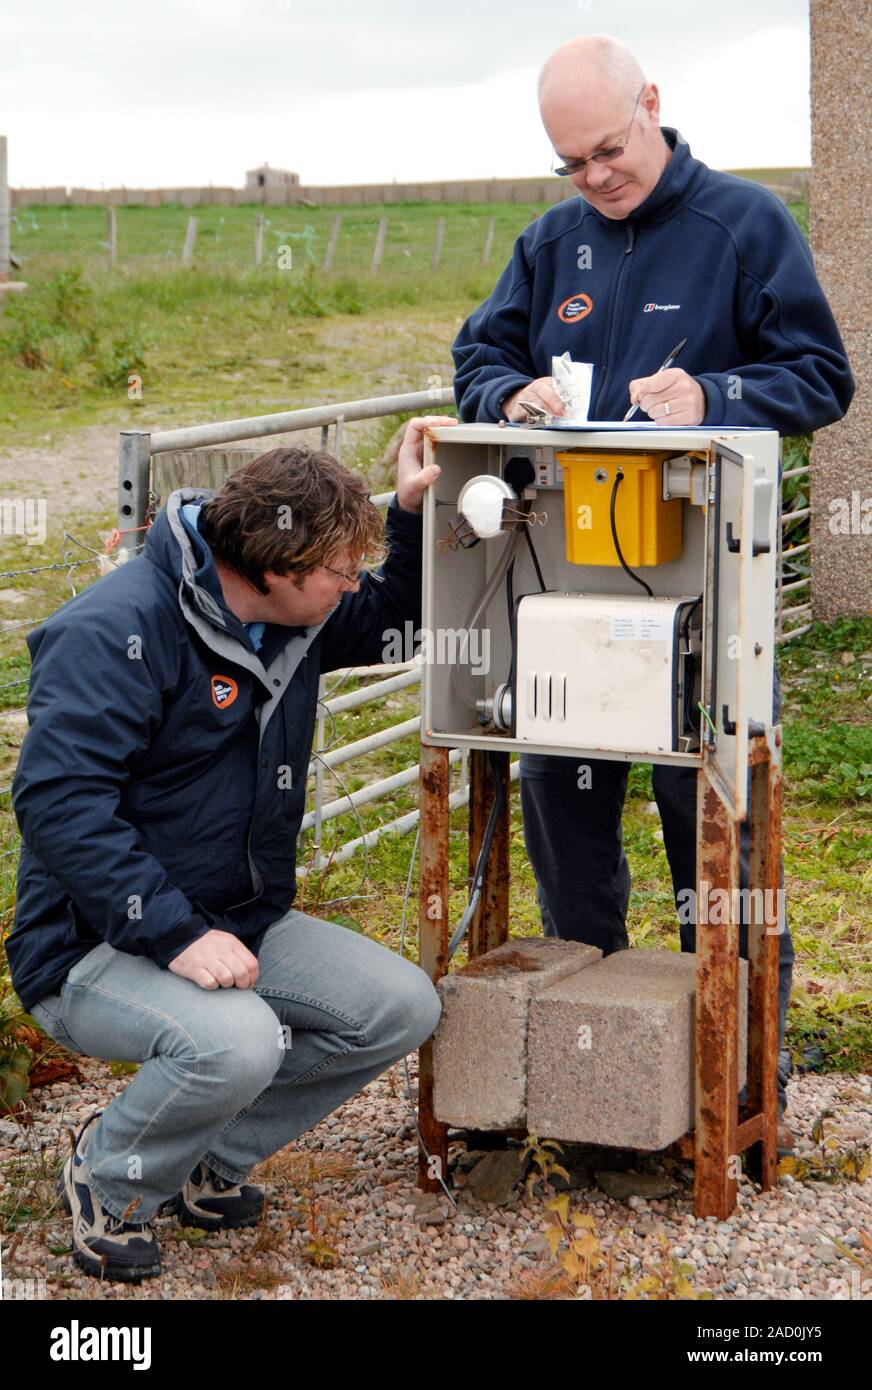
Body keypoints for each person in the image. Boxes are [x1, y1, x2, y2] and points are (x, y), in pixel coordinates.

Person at [451, 35, 855, 1149]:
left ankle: (737, 1057)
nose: (594, 177)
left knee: (712, 821)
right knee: (563, 806)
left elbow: (820, 379)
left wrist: (716, 393)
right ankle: (600, 1065)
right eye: (569, 161)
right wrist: (511, 391)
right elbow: (472, 359)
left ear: (654, 108)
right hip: (569, 590)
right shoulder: (549, 246)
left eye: (608, 149)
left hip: (703, 596)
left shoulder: (742, 225)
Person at [6, 416, 449, 1283]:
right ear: (279, 571)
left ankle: (202, 1156)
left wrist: (406, 509)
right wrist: (175, 934)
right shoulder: (114, 631)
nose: (351, 586)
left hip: (231, 919)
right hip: (92, 942)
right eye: (338, 573)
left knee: (400, 1007)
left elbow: (397, 615)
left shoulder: (297, 615)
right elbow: (58, 805)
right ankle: (115, 1178)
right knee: (239, 1042)